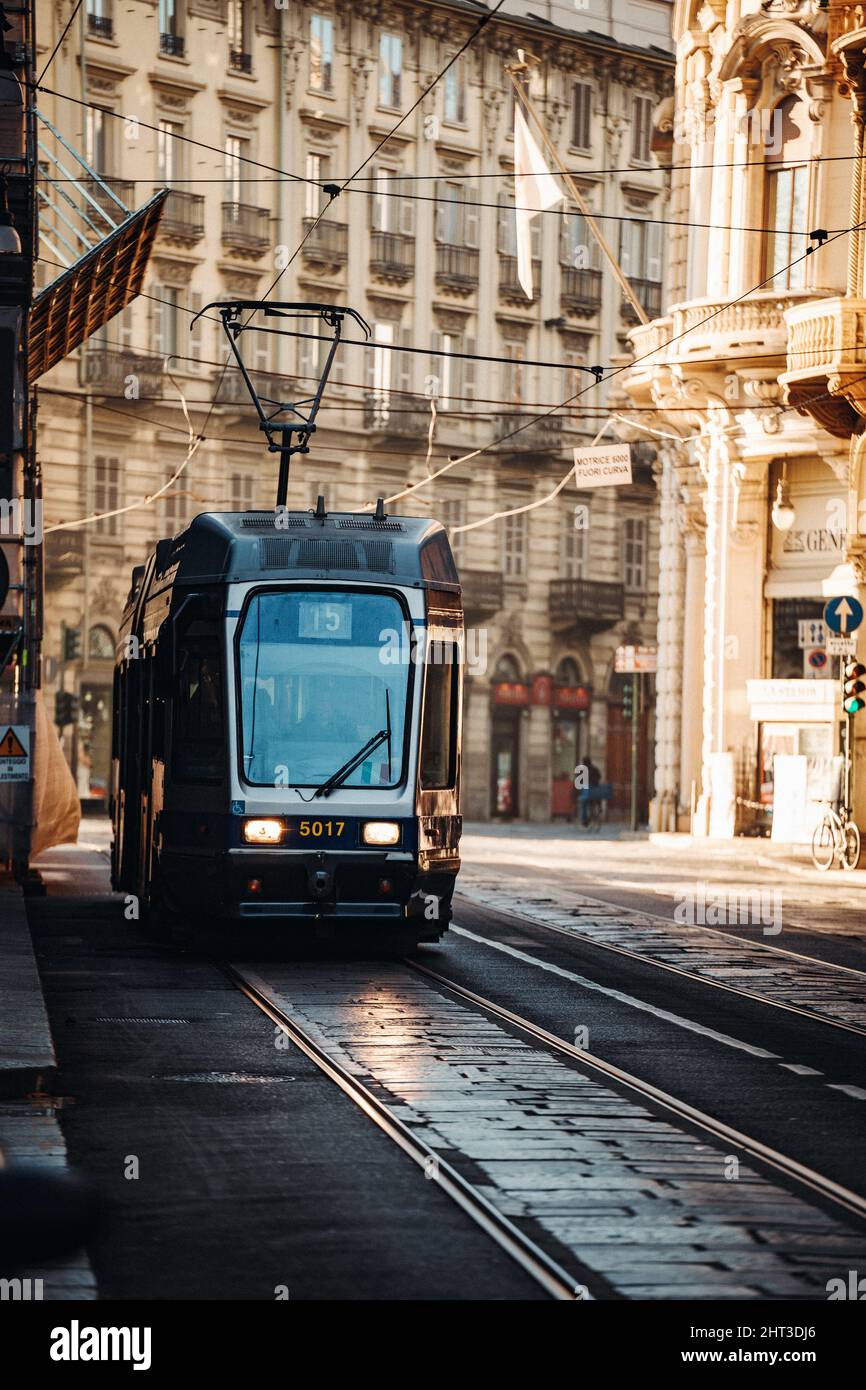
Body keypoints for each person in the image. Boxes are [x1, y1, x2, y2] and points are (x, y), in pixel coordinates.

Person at [581, 758, 601, 828]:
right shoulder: (595, 769)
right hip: (595, 792)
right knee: (594, 798)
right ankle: (599, 808)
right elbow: (599, 777)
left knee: (583, 804)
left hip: (587, 792)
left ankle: (584, 820)